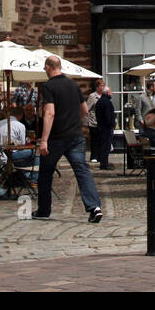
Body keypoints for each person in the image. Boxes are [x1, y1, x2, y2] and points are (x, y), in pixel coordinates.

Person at [32, 55, 103, 222]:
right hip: (75, 136)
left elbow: (49, 113)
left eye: (45, 69)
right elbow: (85, 110)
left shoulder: (48, 86)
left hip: (56, 137)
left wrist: (44, 140)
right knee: (82, 171)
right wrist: (73, 121)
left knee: (45, 173)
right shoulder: (73, 84)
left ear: (48, 67)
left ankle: (43, 210)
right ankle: (94, 207)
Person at [95, 85, 116, 170]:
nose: (111, 93)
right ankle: (104, 164)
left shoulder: (100, 101)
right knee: (106, 146)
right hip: (106, 127)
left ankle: (104, 163)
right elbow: (108, 116)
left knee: (103, 145)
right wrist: (112, 124)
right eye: (110, 92)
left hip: (101, 126)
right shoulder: (107, 102)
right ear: (107, 93)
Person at [85, 78, 104, 161]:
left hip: (102, 122)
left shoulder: (104, 96)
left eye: (103, 85)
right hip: (94, 122)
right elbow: (87, 109)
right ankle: (94, 156)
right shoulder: (93, 96)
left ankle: (100, 156)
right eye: (101, 86)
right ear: (97, 87)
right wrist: (89, 120)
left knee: (101, 140)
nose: (103, 87)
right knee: (94, 140)